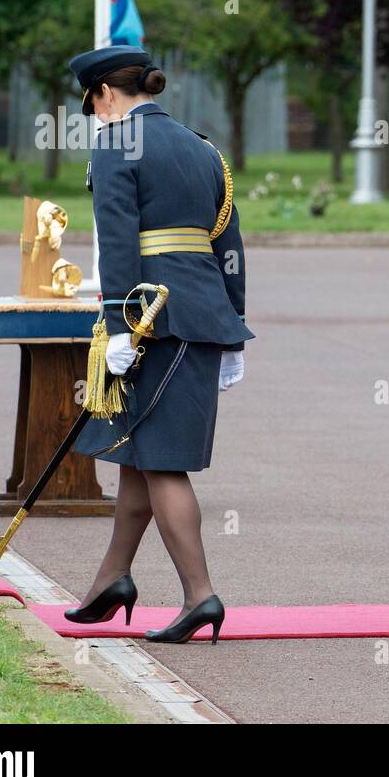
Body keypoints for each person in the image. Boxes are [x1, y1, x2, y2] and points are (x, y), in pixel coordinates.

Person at [61, 45, 253, 645]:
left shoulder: (117, 143)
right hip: (201, 314)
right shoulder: (203, 147)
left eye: (92, 104)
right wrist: (234, 325)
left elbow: (117, 243)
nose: (95, 115)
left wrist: (119, 323)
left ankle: (200, 596)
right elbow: (229, 243)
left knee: (163, 460)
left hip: (152, 320)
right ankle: (111, 581)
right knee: (141, 456)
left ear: (105, 94)